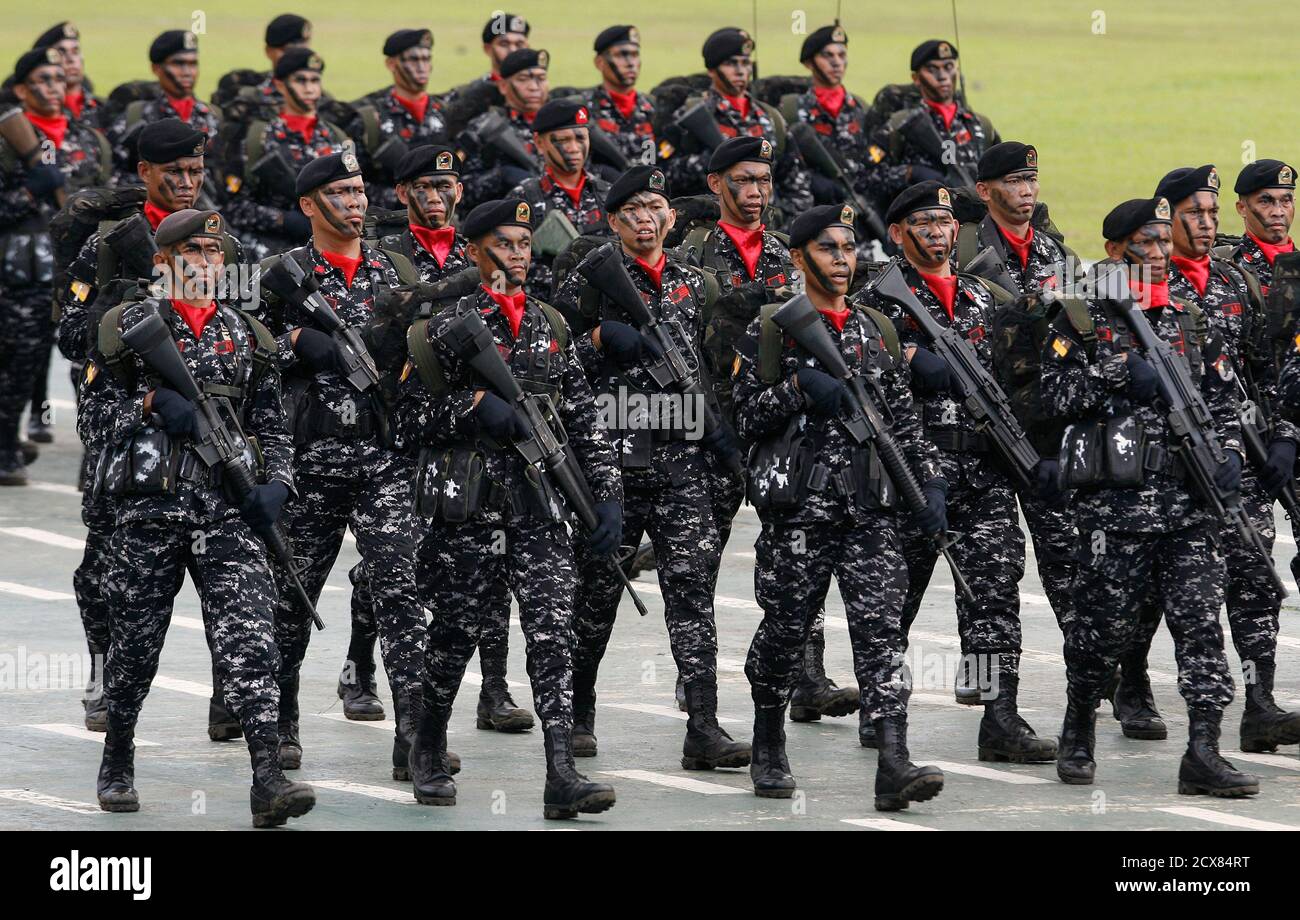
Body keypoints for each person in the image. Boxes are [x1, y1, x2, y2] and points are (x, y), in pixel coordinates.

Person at [78, 208, 315, 826]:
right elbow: (93, 421)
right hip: (149, 511)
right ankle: (117, 758)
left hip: (229, 512)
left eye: (216, 252)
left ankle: (268, 776)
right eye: (195, 252)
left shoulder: (248, 336)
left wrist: (278, 487)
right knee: (135, 646)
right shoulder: (126, 328)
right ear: (164, 262)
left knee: (250, 641)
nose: (208, 263)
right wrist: (151, 402)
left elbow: (274, 423)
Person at [397, 197, 619, 818]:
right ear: (473, 251)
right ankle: (428, 744)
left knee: (552, 635)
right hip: (469, 511)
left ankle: (561, 773)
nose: (518, 256)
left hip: (540, 507)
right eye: (505, 244)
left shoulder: (550, 324)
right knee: (453, 636)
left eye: (525, 244)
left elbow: (582, 416)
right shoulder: (443, 328)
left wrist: (604, 497)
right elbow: (407, 422)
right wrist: (471, 408)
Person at [1042, 196, 1257, 796]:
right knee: (1101, 634)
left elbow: (1224, 400)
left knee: (1200, 633)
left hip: (1189, 509)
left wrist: (1231, 459)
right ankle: (1079, 725)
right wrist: (1114, 372)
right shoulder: (1082, 319)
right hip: (1118, 509)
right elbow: (1052, 401)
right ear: (1115, 252)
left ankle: (1203, 752)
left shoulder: (1191, 316)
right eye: (1148, 243)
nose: (1162, 254)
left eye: (1167, 241)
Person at [735, 203, 946, 810]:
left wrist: (929, 487)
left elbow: (905, 426)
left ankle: (893, 760)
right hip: (800, 511)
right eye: (829, 249)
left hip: (871, 509)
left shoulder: (876, 329)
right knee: (785, 631)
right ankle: (768, 740)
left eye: (849, 249)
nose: (843, 260)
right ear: (799, 257)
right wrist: (799, 389)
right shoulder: (773, 328)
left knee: (882, 634)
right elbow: (743, 417)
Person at [552, 165, 749, 767]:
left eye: (655, 207)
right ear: (612, 222)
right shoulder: (590, 282)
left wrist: (722, 439)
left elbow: (717, 368)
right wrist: (596, 342)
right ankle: (578, 708)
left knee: (692, 592)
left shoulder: (698, 284)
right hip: (611, 458)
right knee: (594, 595)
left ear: (670, 217)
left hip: (681, 460)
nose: (645, 218)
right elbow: (547, 361)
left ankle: (704, 726)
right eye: (631, 209)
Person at [856, 181, 1054, 761]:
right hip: (911, 472)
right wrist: (914, 357)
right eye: (924, 222)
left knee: (994, 594)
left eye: (945, 221)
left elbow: (1018, 376)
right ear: (896, 233)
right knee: (893, 597)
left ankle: (999, 716)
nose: (939, 231)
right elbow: (856, 360)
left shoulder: (983, 297)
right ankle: (881, 708)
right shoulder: (875, 300)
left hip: (984, 467)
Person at [1111, 165, 1300, 752]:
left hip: (1234, 458)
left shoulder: (1233, 281)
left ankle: (1259, 701)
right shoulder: (1145, 283)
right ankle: (1132, 680)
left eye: (1212, 213)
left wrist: (1283, 437)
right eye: (1194, 213)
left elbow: (1266, 374)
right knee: (1149, 586)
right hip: (1162, 468)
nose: (1205, 223)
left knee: (1254, 578)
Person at [251, 152, 428, 781]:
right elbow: (237, 347)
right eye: (340, 193)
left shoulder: (397, 270)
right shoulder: (280, 276)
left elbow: (426, 355)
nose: (356, 202)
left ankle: (416, 738)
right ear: (308, 205)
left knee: (403, 595)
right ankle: (283, 726)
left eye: (359, 190)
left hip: (386, 459)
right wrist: (297, 343)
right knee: (291, 599)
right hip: (310, 460)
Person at [57, 119, 227, 734]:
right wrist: (126, 294)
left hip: (207, 421)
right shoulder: (107, 244)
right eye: (174, 173)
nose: (187, 183)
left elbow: (242, 321)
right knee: (105, 563)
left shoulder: (211, 237)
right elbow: (72, 337)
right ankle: (105, 676)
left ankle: (229, 692)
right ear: (145, 175)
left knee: (225, 562)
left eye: (195, 171)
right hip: (125, 422)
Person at [960, 142, 1081, 647]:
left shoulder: (1057, 254)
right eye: (1013, 181)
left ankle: (1102, 680)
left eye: (1031, 180)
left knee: (1072, 561)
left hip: (1047, 431)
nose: (1026, 190)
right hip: (982, 431)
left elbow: (1082, 334)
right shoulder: (959, 248)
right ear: (985, 190)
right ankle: (990, 692)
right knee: (988, 571)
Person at [0, 47, 109, 486]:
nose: (53, 88)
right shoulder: (8, 142)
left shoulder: (86, 138)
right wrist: (31, 191)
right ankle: (6, 445)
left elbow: (106, 195)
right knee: (19, 362)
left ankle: (95, 454)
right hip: (23, 271)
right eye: (41, 81)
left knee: (87, 362)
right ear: (22, 89)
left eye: (58, 80)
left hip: (79, 270)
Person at [660, 27, 811, 223]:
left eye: (745, 63)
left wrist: (787, 228)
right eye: (731, 64)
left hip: (766, 227)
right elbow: (665, 175)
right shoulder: (688, 116)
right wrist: (708, 161)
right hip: (709, 227)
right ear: (712, 69)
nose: (740, 70)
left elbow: (795, 181)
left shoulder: (772, 118)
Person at [220, 47, 351, 262]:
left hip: (327, 253)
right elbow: (234, 207)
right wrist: (283, 220)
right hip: (268, 254)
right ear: (280, 85)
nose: (309, 88)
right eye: (301, 80)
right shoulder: (256, 138)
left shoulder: (337, 137)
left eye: (314, 80)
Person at [867, 40, 999, 206]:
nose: (942, 76)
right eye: (932, 69)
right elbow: (866, 177)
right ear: (916, 78)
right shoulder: (901, 125)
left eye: (948, 67)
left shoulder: (980, 125)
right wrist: (909, 173)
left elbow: (1003, 175)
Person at [508, 98, 612, 297]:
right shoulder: (523, 198)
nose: (573, 148)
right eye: (563, 140)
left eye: (580, 138)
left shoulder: (609, 194)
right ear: (539, 142)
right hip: (548, 310)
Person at [348, 29, 448, 212]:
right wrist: (407, 196)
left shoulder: (446, 113)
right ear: (391, 64)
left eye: (426, 59)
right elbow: (352, 184)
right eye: (413, 59)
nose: (422, 66)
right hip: (389, 225)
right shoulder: (371, 121)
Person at [104, 30, 221, 186]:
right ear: (156, 68)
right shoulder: (136, 117)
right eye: (178, 63)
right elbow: (112, 176)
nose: (187, 72)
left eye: (193, 64)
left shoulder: (213, 117)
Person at [457, 47, 550, 212]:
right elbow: (457, 191)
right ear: (503, 86)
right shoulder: (483, 128)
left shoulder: (559, 123)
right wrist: (501, 177)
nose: (534, 86)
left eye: (541, 78)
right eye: (524, 79)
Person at [210, 13, 312, 112]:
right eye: (287, 51)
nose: (297, 58)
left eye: (303, 51)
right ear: (268, 51)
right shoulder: (239, 86)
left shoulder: (319, 99)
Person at [585, 25, 656, 169]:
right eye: (620, 55)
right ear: (599, 62)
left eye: (635, 55)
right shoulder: (586, 109)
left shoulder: (653, 107)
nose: (630, 63)